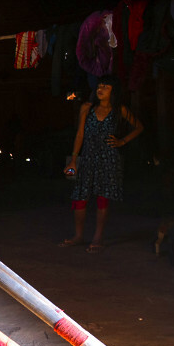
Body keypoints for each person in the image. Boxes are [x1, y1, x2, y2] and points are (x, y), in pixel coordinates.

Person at [61, 75, 143, 252]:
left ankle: (98, 238)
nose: (101, 89)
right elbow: (80, 135)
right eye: (99, 86)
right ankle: (78, 236)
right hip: (88, 157)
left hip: (108, 158)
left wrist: (122, 141)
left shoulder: (119, 110)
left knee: (102, 198)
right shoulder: (87, 108)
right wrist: (74, 159)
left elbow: (139, 127)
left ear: (113, 91)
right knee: (80, 197)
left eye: (106, 86)